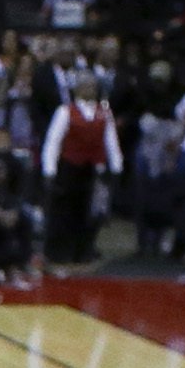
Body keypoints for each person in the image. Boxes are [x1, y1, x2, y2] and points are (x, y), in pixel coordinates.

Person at [40, 68, 122, 268]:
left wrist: (116, 165)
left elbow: (111, 141)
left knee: (91, 212)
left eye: (93, 86)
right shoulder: (65, 111)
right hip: (70, 167)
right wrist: (49, 170)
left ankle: (84, 250)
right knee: (64, 211)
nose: (90, 89)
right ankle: (60, 252)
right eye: (86, 86)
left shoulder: (104, 113)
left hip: (94, 169)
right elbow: (53, 142)